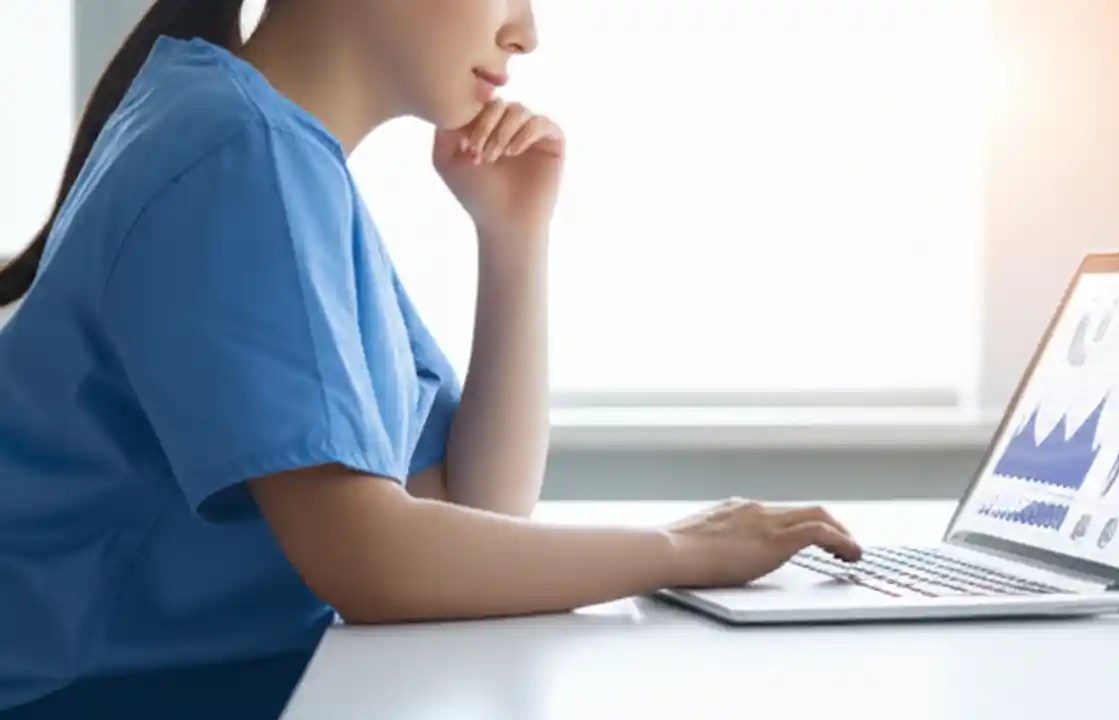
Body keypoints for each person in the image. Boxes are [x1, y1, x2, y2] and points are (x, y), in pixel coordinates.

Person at [0, 1, 862, 711]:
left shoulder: (282, 155)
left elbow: (476, 505)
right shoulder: (237, 152)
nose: (527, 32)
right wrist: (683, 550)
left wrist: (513, 238)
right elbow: (372, 562)